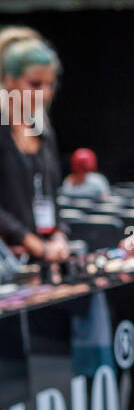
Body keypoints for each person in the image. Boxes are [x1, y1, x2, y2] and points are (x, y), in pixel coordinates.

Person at [0, 32, 69, 262]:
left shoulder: (43, 131)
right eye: (35, 84)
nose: (45, 93)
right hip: (9, 257)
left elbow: (52, 194)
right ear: (9, 80)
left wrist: (58, 235)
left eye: (49, 84)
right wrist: (29, 241)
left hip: (43, 256)